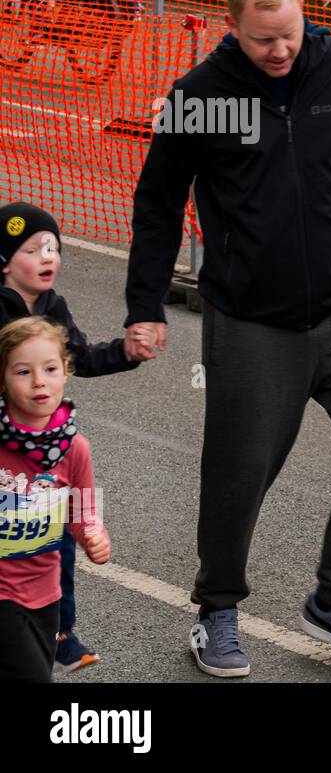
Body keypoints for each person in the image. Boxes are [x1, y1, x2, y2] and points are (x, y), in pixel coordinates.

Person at [125, 0, 331, 678]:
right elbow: (158, 202)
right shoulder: (199, 95)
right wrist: (144, 307)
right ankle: (218, 610)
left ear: (303, 11)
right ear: (233, 26)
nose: (280, 50)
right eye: (263, 40)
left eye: (288, 33)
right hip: (251, 318)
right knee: (240, 472)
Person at [0, 203, 140, 676]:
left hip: (45, 450)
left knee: (56, 545)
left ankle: (62, 629)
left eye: (54, 248)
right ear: (4, 260)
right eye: (33, 248)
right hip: (6, 444)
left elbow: (81, 356)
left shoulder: (55, 308)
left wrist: (126, 351)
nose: (48, 256)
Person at [0, 316, 112, 681]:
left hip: (47, 594)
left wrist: (94, 535)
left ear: (66, 371)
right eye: (22, 372)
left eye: (50, 368)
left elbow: (83, 512)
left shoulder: (75, 448)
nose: (38, 381)